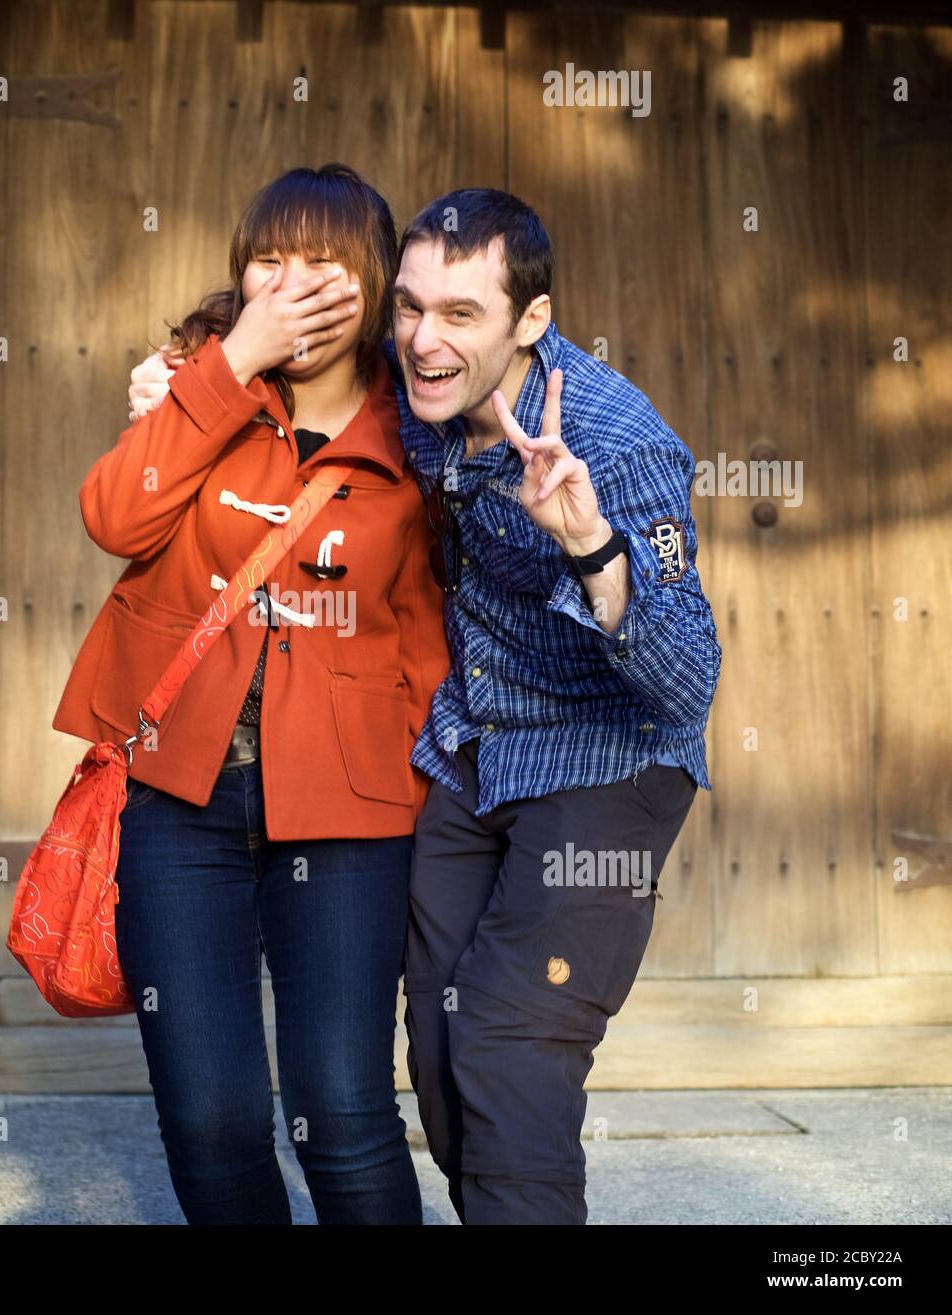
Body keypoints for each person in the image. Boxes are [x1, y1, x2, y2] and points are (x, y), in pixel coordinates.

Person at [132, 185, 721, 1227]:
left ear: (530, 321)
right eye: (408, 308)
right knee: (444, 1054)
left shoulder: (615, 443)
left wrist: (590, 547)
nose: (422, 339)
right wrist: (175, 387)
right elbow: (283, 376)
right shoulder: (410, 392)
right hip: (471, 750)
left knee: (504, 1039)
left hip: (604, 757)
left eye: (459, 315)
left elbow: (685, 682)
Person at [56, 163, 449, 1225]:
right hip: (178, 799)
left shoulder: (422, 436)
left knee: (343, 1110)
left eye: (324, 262)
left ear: (375, 283)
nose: (293, 285)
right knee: (211, 1114)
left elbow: (440, 636)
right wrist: (225, 365)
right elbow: (115, 519)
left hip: (348, 807)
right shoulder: (201, 394)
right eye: (269, 260)